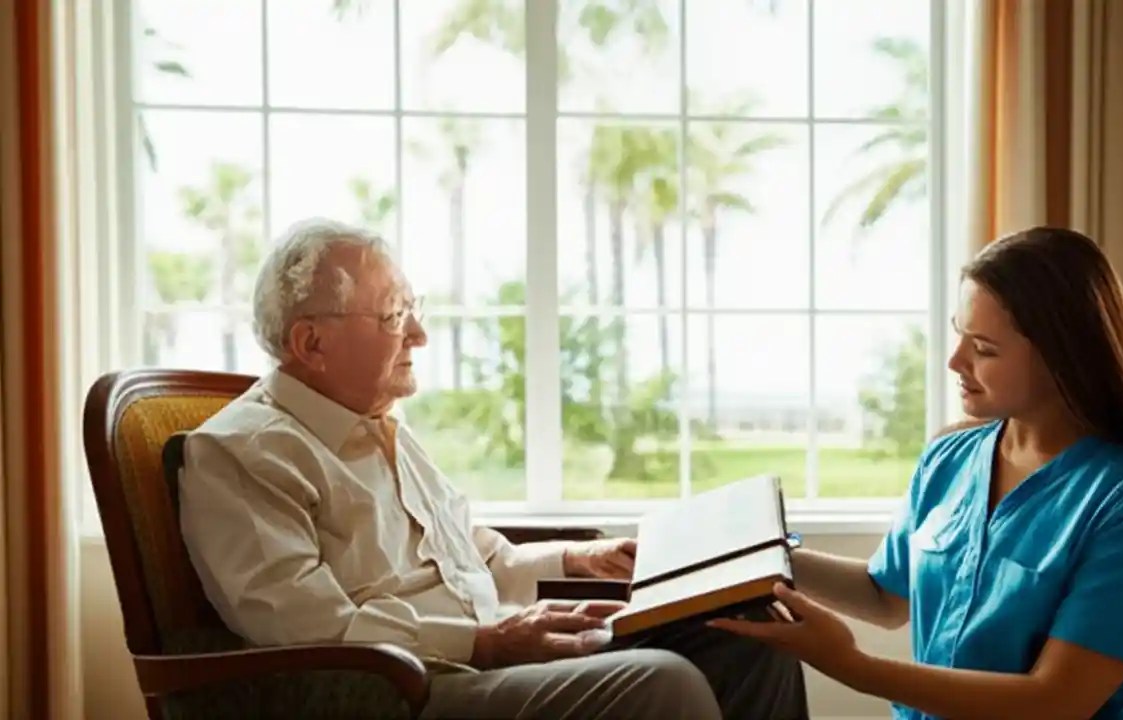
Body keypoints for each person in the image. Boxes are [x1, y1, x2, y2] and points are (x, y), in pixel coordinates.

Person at [179, 217, 808, 720]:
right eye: (395, 315)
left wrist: (579, 560)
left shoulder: (386, 432)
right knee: (662, 684)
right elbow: (305, 628)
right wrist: (484, 643)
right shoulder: (242, 453)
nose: (419, 335)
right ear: (310, 343)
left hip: (492, 653)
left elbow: (481, 561)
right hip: (412, 689)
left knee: (750, 634)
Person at [711, 227, 1123, 719]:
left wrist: (851, 665)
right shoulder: (950, 457)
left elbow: (1057, 700)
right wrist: (745, 557)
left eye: (984, 348)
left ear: (1064, 354)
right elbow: (885, 595)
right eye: (959, 335)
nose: (955, 361)